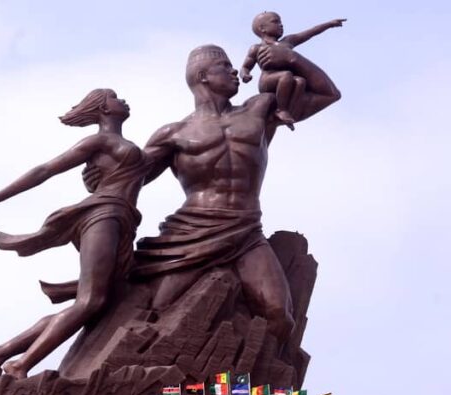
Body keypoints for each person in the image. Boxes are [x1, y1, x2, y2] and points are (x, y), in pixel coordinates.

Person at [117, 43, 340, 348]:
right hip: (190, 232)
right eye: (225, 65)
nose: (235, 70)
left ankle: (243, 392)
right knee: (154, 311)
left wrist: (290, 56)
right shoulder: (173, 133)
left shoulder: (259, 109)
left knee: (279, 316)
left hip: (247, 230)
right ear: (203, 76)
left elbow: (328, 93)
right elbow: (129, 178)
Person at [0, 89, 149, 378]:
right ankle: (19, 365)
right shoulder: (100, 141)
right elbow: (46, 169)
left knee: (101, 303)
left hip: (123, 220)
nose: (122, 100)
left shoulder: (125, 147)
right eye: (114, 97)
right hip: (103, 215)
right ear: (102, 109)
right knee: (91, 301)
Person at [240, 12, 345, 130]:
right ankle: (281, 110)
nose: (281, 25)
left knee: (300, 81)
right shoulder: (257, 48)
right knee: (286, 75)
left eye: (281, 22)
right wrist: (245, 75)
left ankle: (290, 110)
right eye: (275, 22)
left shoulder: (287, 42)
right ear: (262, 28)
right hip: (268, 79)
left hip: (285, 80)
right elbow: (245, 66)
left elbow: (309, 33)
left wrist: (329, 24)